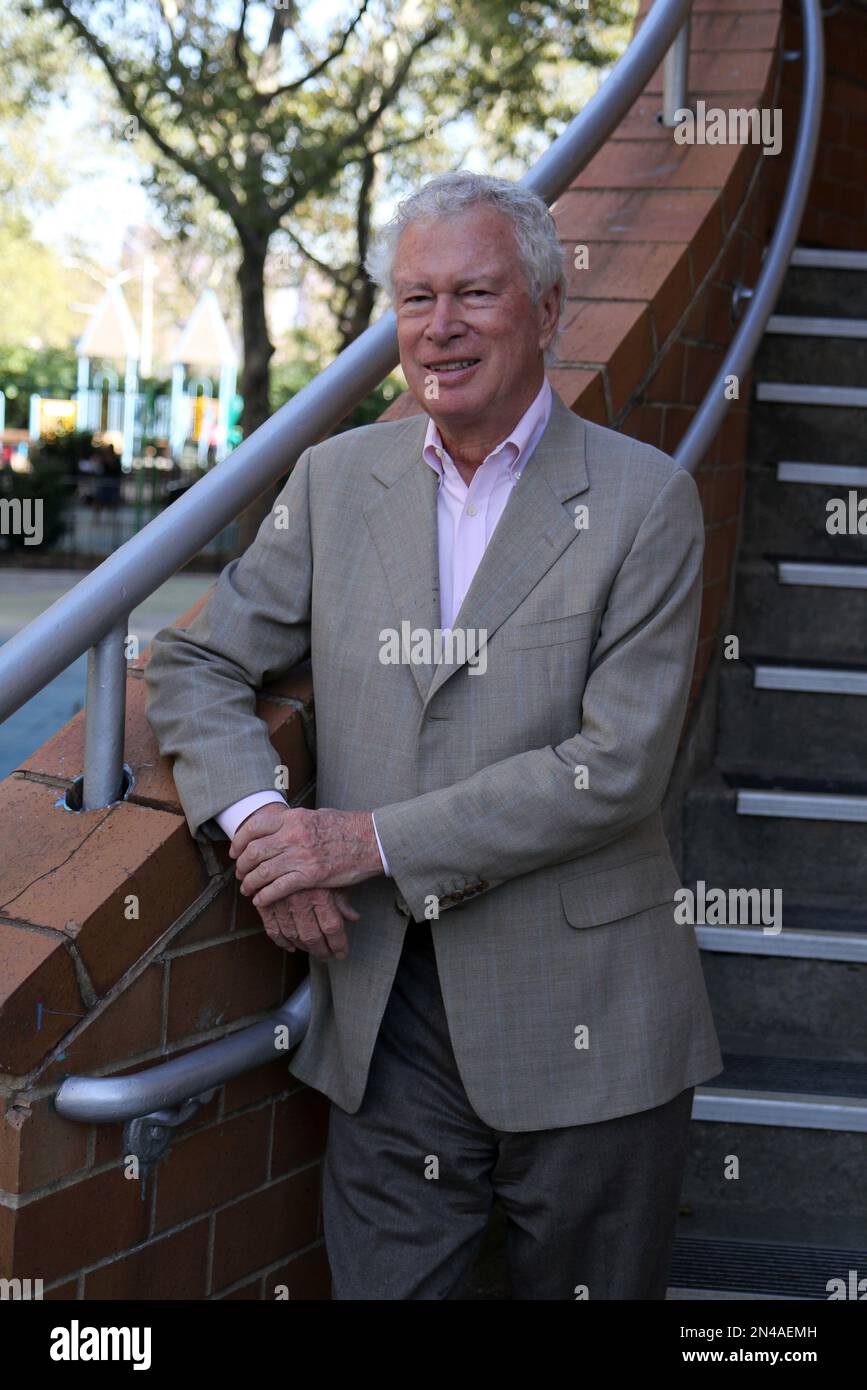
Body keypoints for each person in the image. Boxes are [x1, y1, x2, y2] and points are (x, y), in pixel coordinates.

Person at [144, 171, 723, 1301]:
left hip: (591, 1022)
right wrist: (262, 823)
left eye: (474, 294)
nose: (440, 329)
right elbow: (195, 661)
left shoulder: (648, 501)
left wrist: (358, 842)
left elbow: (617, 767)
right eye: (415, 299)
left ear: (549, 310)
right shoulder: (331, 479)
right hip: (385, 1018)